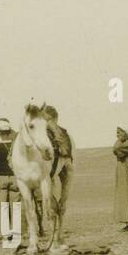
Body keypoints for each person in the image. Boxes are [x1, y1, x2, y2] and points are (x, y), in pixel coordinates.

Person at [43, 104, 74, 245]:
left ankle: (57, 234)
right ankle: (56, 234)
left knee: (57, 202)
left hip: (61, 167)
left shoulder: (58, 132)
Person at [0, 118, 21, 240]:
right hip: (15, 177)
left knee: (2, 205)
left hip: (1, 178)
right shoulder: (17, 145)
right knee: (16, 205)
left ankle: (5, 232)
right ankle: (16, 231)